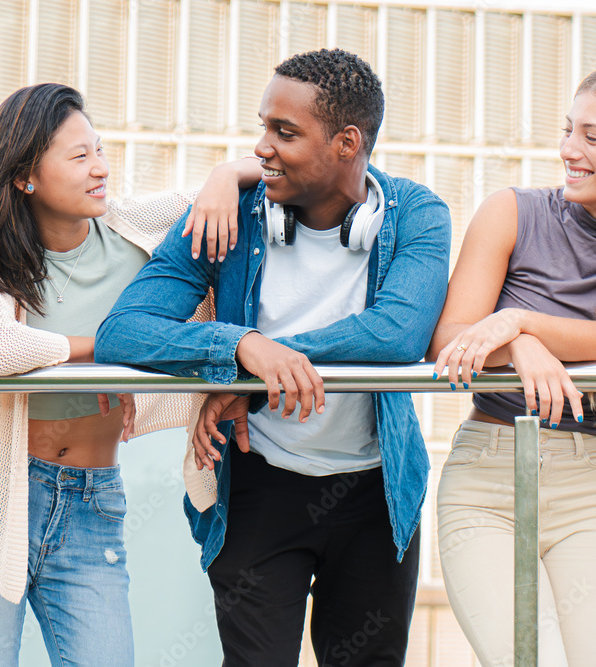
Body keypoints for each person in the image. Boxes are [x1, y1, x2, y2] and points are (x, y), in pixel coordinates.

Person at [95, 48, 451, 666]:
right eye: (262, 125)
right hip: (259, 486)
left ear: (347, 142)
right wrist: (240, 347)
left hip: (376, 493)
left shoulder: (418, 215)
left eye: (284, 132)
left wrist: (261, 372)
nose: (262, 146)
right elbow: (122, 333)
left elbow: (397, 333)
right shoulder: (225, 217)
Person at [0, 83, 258, 665]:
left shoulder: (137, 227)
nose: (100, 169)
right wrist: (114, 350)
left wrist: (220, 176)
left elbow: (256, 174)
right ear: (24, 176)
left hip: (93, 502)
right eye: (78, 156)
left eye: (101, 151)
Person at [427, 62, 596, 666]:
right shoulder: (512, 212)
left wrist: (522, 322)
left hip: (593, 481)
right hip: (487, 479)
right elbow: (450, 341)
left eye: (592, 137)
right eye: (569, 130)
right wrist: (519, 347)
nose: (569, 150)